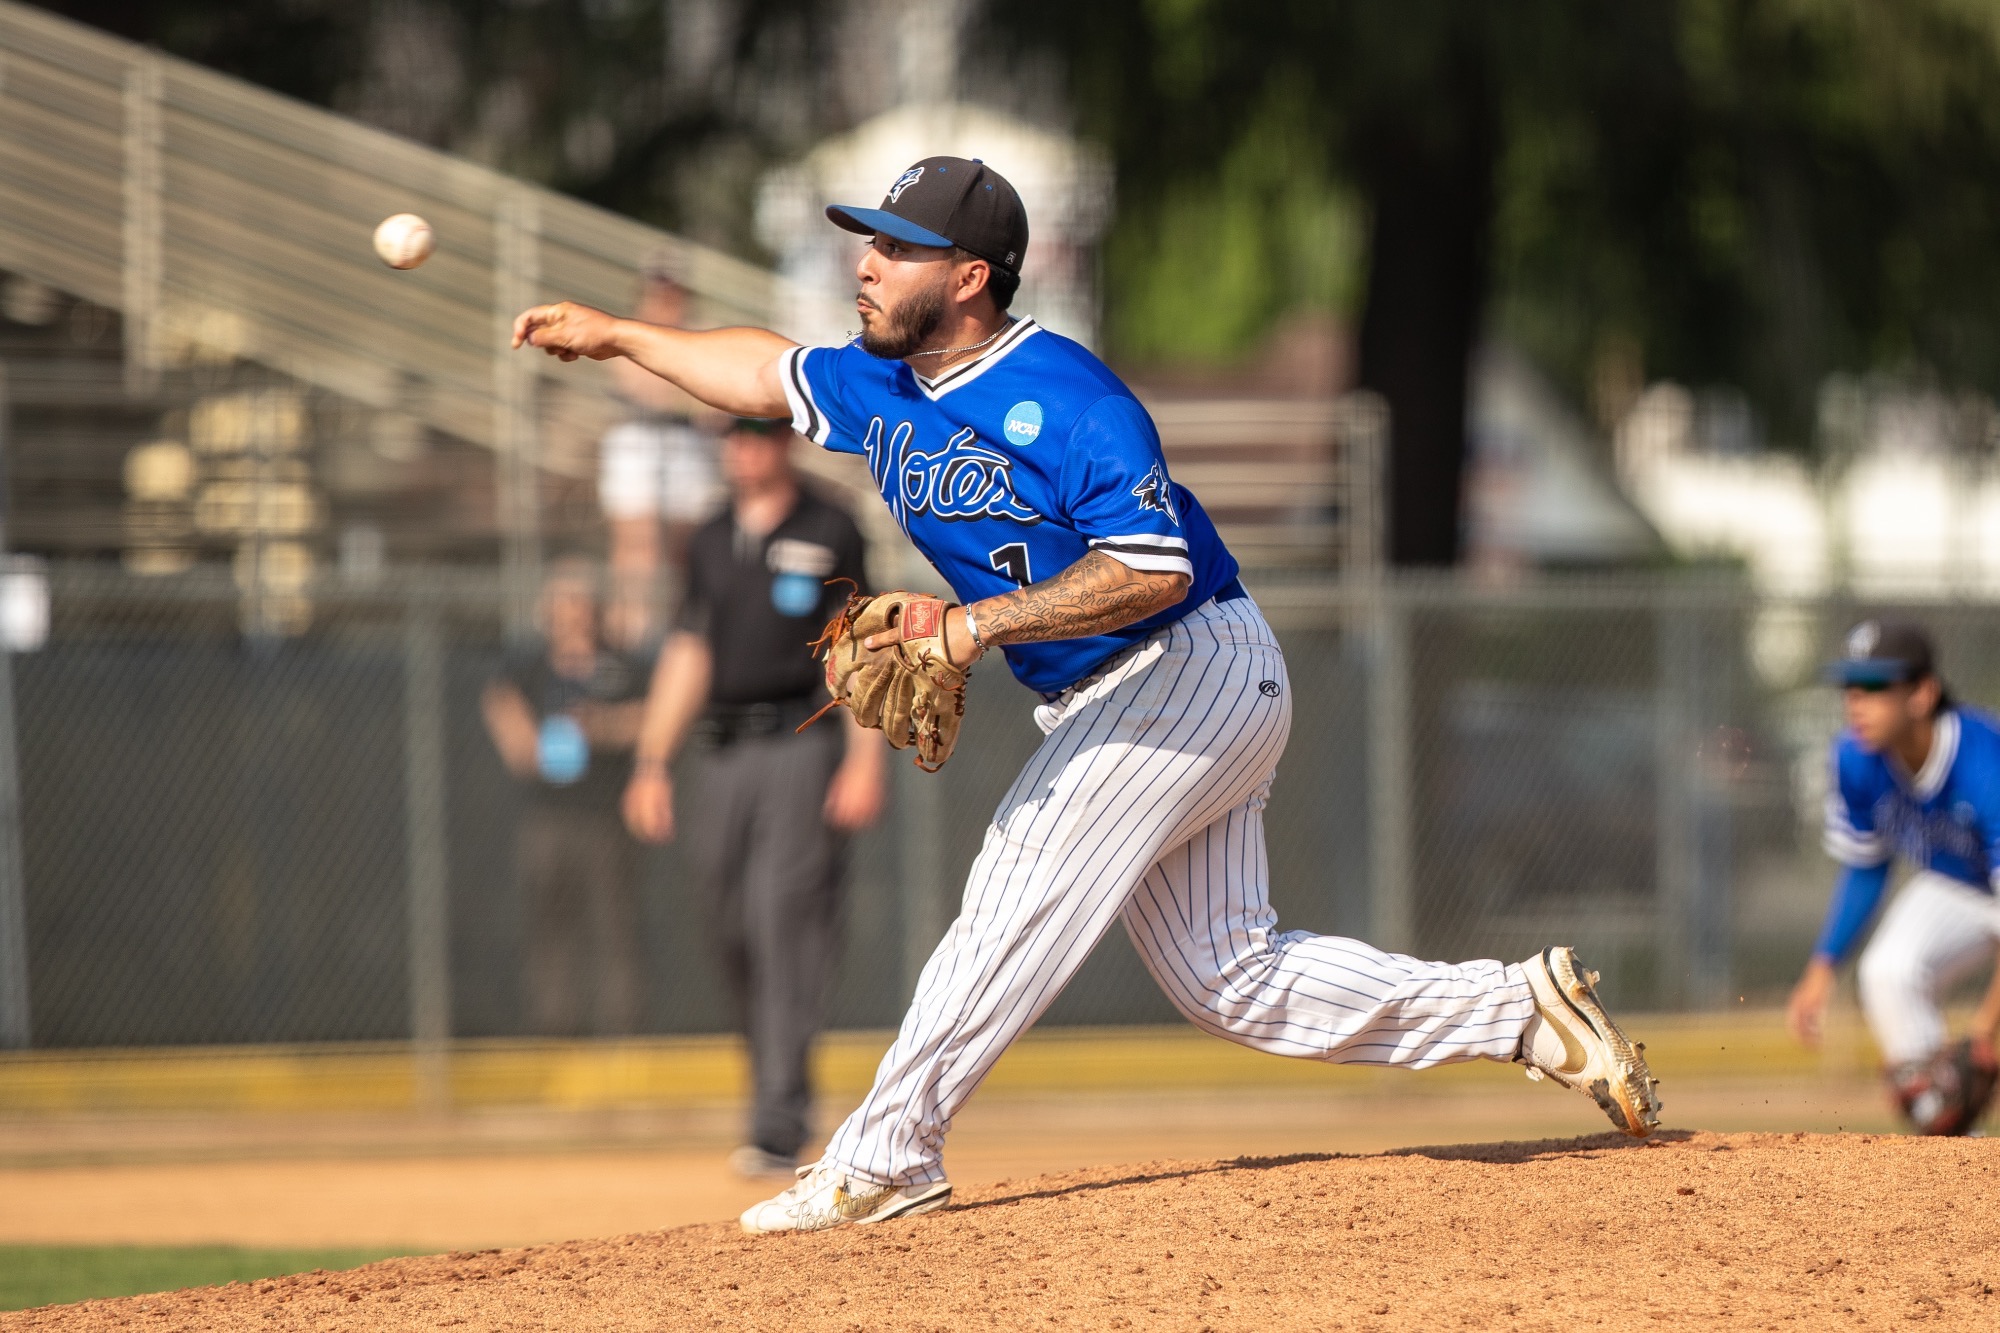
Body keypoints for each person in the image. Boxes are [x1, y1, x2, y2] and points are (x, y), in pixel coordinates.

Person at [513, 154, 1661, 1236]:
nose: (864, 263)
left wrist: (971, 626)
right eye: (866, 242)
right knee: (1232, 977)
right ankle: (1519, 1009)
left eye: (894, 249)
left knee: (1016, 873)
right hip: (1136, 695)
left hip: (1183, 663)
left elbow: (1150, 568)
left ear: (967, 278)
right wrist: (616, 336)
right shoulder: (880, 383)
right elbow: (760, 370)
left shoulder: (1067, 396)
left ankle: (884, 1155)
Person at [622, 416, 887, 1179]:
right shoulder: (708, 538)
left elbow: (858, 647)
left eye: (760, 433)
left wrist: (864, 761)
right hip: (722, 751)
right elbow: (688, 648)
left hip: (801, 746)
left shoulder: (830, 526)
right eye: (733, 436)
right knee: (728, 919)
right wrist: (650, 760)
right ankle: (774, 1088)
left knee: (785, 920)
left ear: (785, 442)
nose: (745, 447)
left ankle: (779, 1116)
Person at [1787, 619, 2000, 1132]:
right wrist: (1823, 966)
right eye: (1850, 687)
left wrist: (1983, 1035)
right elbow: (1866, 864)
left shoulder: (1985, 766)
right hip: (1963, 886)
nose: (1857, 702)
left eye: (1877, 686)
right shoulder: (1855, 759)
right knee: (1888, 971)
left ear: (1923, 694)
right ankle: (1949, 1138)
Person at [481, 558, 650, 1036]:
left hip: (605, 817)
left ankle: (622, 1031)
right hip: (547, 817)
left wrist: (602, 725)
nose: (572, 613)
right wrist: (524, 741)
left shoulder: (622, 665)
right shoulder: (528, 664)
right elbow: (498, 698)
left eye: (580, 602)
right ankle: (554, 1030)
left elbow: (651, 716)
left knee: (614, 927)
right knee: (548, 924)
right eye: (562, 602)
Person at [597, 262, 726, 647]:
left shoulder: (701, 336)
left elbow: (715, 404)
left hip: (689, 446)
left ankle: (675, 642)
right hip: (640, 442)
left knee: (687, 554)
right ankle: (630, 646)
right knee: (636, 553)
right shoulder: (630, 332)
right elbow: (645, 387)